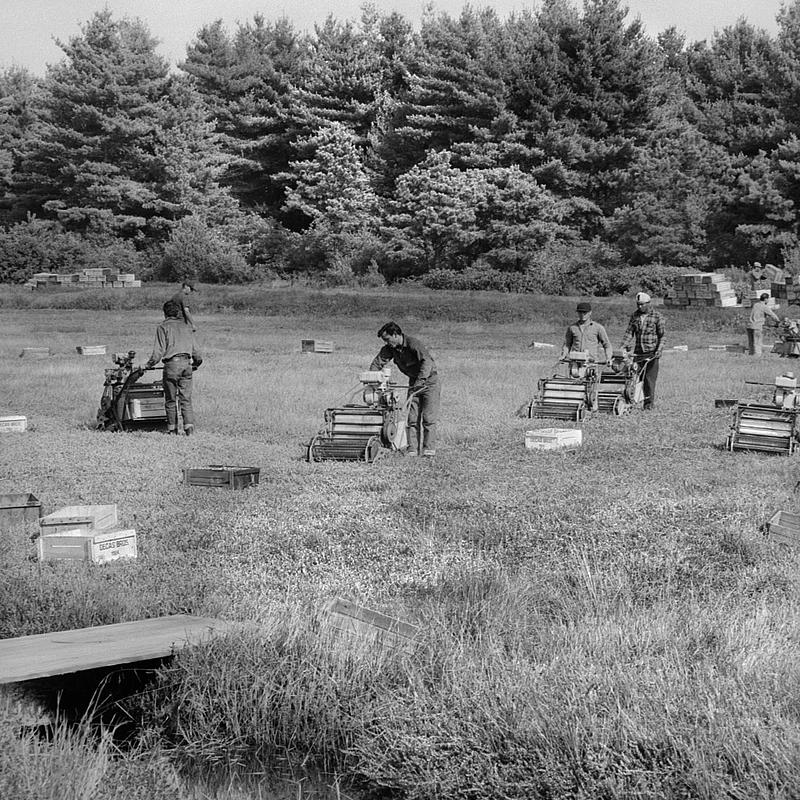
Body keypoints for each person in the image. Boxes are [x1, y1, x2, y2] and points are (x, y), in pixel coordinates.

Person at [370, 322, 440, 457]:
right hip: (414, 383)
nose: (387, 343)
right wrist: (372, 380)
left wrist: (421, 381)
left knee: (428, 418)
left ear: (395, 335)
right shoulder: (390, 349)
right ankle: (412, 449)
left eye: (387, 339)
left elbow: (427, 362)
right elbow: (377, 363)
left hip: (430, 383)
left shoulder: (414, 344)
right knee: (412, 418)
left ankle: (428, 450)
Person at [144, 300, 203, 435]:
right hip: (187, 364)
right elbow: (197, 352)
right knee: (186, 399)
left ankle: (172, 429)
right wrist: (196, 364)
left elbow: (158, 352)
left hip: (172, 366)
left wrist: (148, 365)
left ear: (164, 313)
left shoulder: (163, 327)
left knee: (170, 399)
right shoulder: (187, 326)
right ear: (178, 313)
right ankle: (189, 429)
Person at [620, 291, 665, 411]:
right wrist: (623, 347)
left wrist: (659, 350)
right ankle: (631, 402)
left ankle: (648, 405)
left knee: (649, 380)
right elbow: (629, 333)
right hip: (638, 353)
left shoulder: (657, 316)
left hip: (651, 353)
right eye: (638, 304)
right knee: (633, 378)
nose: (639, 307)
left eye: (642, 304)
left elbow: (662, 336)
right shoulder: (635, 316)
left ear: (649, 303)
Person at [747, 292, 780, 356]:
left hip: (750, 325)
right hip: (757, 327)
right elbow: (772, 315)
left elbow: (762, 310)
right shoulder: (765, 307)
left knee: (751, 343)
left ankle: (751, 355)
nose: (768, 300)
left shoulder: (755, 305)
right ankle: (757, 356)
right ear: (765, 299)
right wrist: (778, 321)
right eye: (768, 299)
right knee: (757, 343)